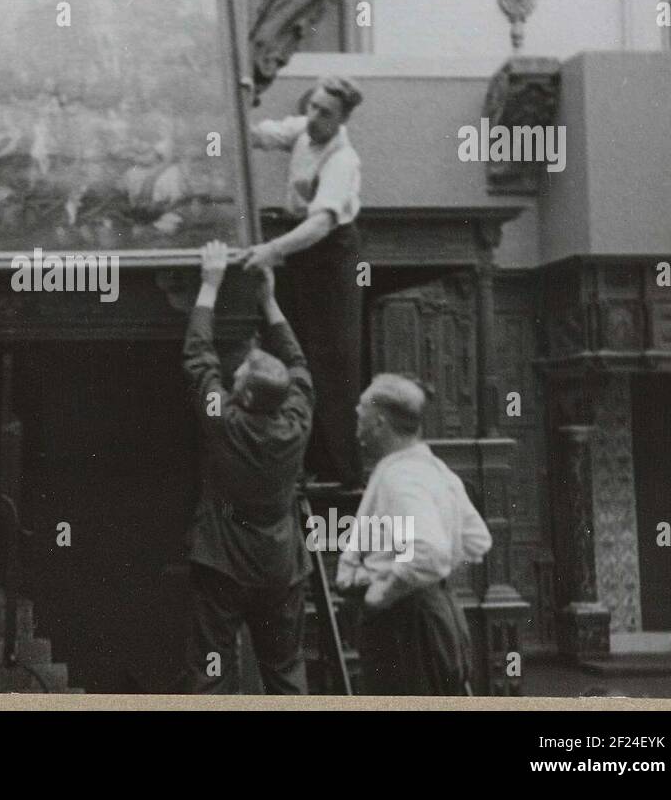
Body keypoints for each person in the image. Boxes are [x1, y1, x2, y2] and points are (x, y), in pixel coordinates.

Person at [181, 240, 314, 694]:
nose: (230, 376)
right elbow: (297, 364)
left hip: (222, 562)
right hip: (280, 565)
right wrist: (270, 301)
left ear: (248, 396)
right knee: (284, 669)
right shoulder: (296, 420)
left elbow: (199, 358)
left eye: (238, 377)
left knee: (212, 670)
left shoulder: (225, 420)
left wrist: (209, 285)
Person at [240, 76, 364, 488]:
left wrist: (272, 251)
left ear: (343, 118)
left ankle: (341, 475)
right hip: (301, 247)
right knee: (291, 347)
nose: (313, 116)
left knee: (330, 360)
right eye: (311, 106)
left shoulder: (343, 159)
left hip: (329, 253)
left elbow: (321, 223)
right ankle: (299, 463)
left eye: (324, 112)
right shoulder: (307, 125)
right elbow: (262, 134)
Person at [336, 373, 492, 695]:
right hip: (434, 613)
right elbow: (476, 539)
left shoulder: (402, 478)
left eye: (361, 414)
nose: (356, 422)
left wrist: (383, 591)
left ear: (380, 423)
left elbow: (428, 554)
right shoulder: (433, 469)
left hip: (404, 628)